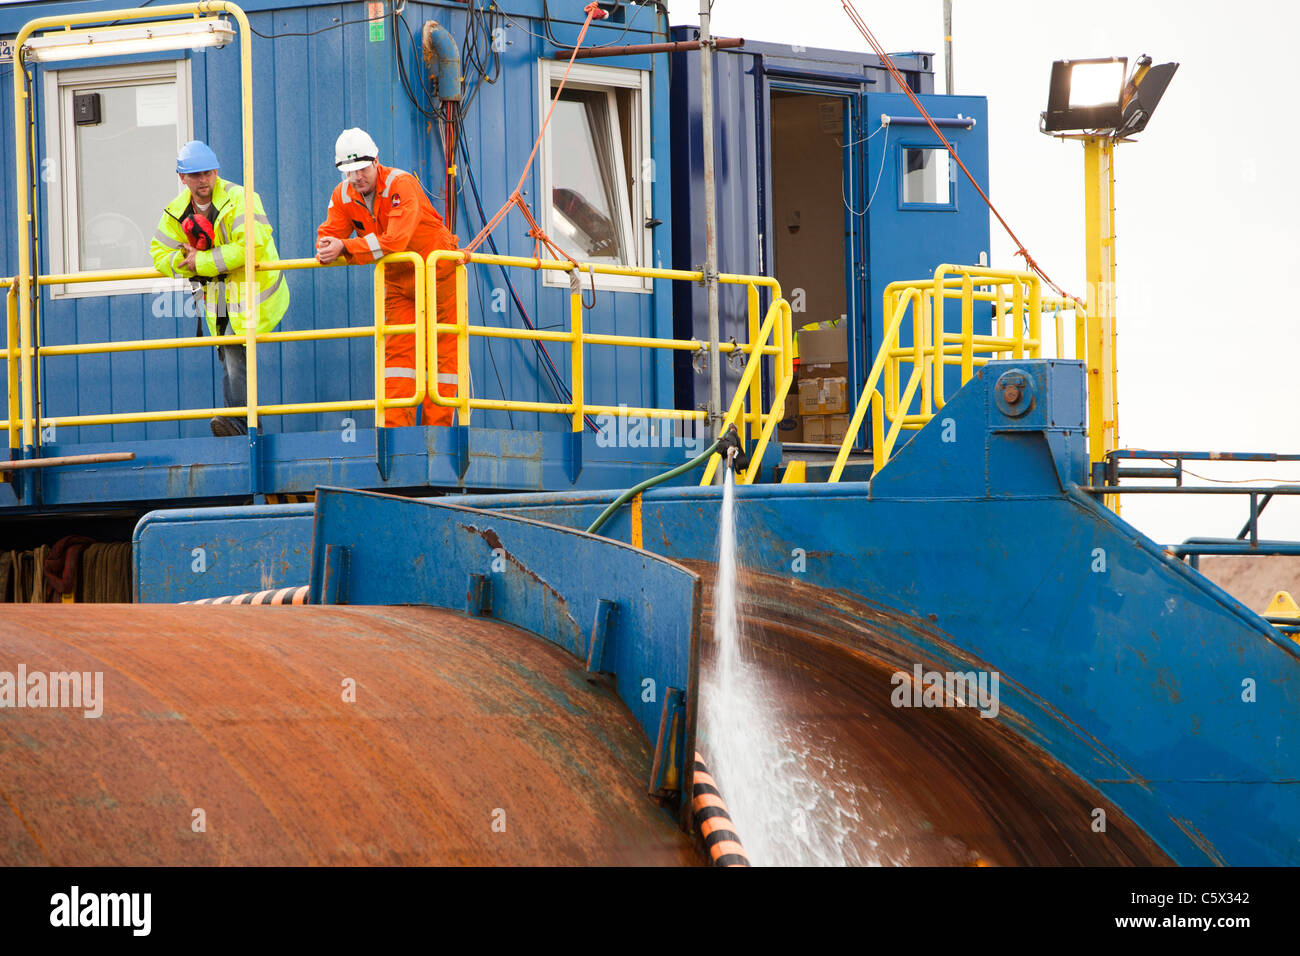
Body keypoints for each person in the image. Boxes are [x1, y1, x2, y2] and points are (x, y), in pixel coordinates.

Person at [315, 128, 460, 427]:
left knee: (444, 352)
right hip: (396, 280)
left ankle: (439, 432)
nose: (357, 177)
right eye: (350, 171)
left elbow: (396, 241)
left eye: (362, 169)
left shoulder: (401, 184)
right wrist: (327, 247)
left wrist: (346, 247)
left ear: (376, 161)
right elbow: (330, 234)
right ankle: (397, 433)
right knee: (397, 359)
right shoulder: (342, 195)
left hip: (439, 273)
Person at [150, 140, 289, 437]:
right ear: (182, 178)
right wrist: (182, 260)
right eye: (197, 175)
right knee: (228, 355)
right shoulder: (176, 212)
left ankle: (242, 425)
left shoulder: (241, 198)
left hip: (254, 293)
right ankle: (243, 425)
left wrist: (198, 262)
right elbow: (159, 255)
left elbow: (249, 247)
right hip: (219, 299)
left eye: (209, 173)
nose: (204, 181)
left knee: (232, 349)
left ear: (217, 172)